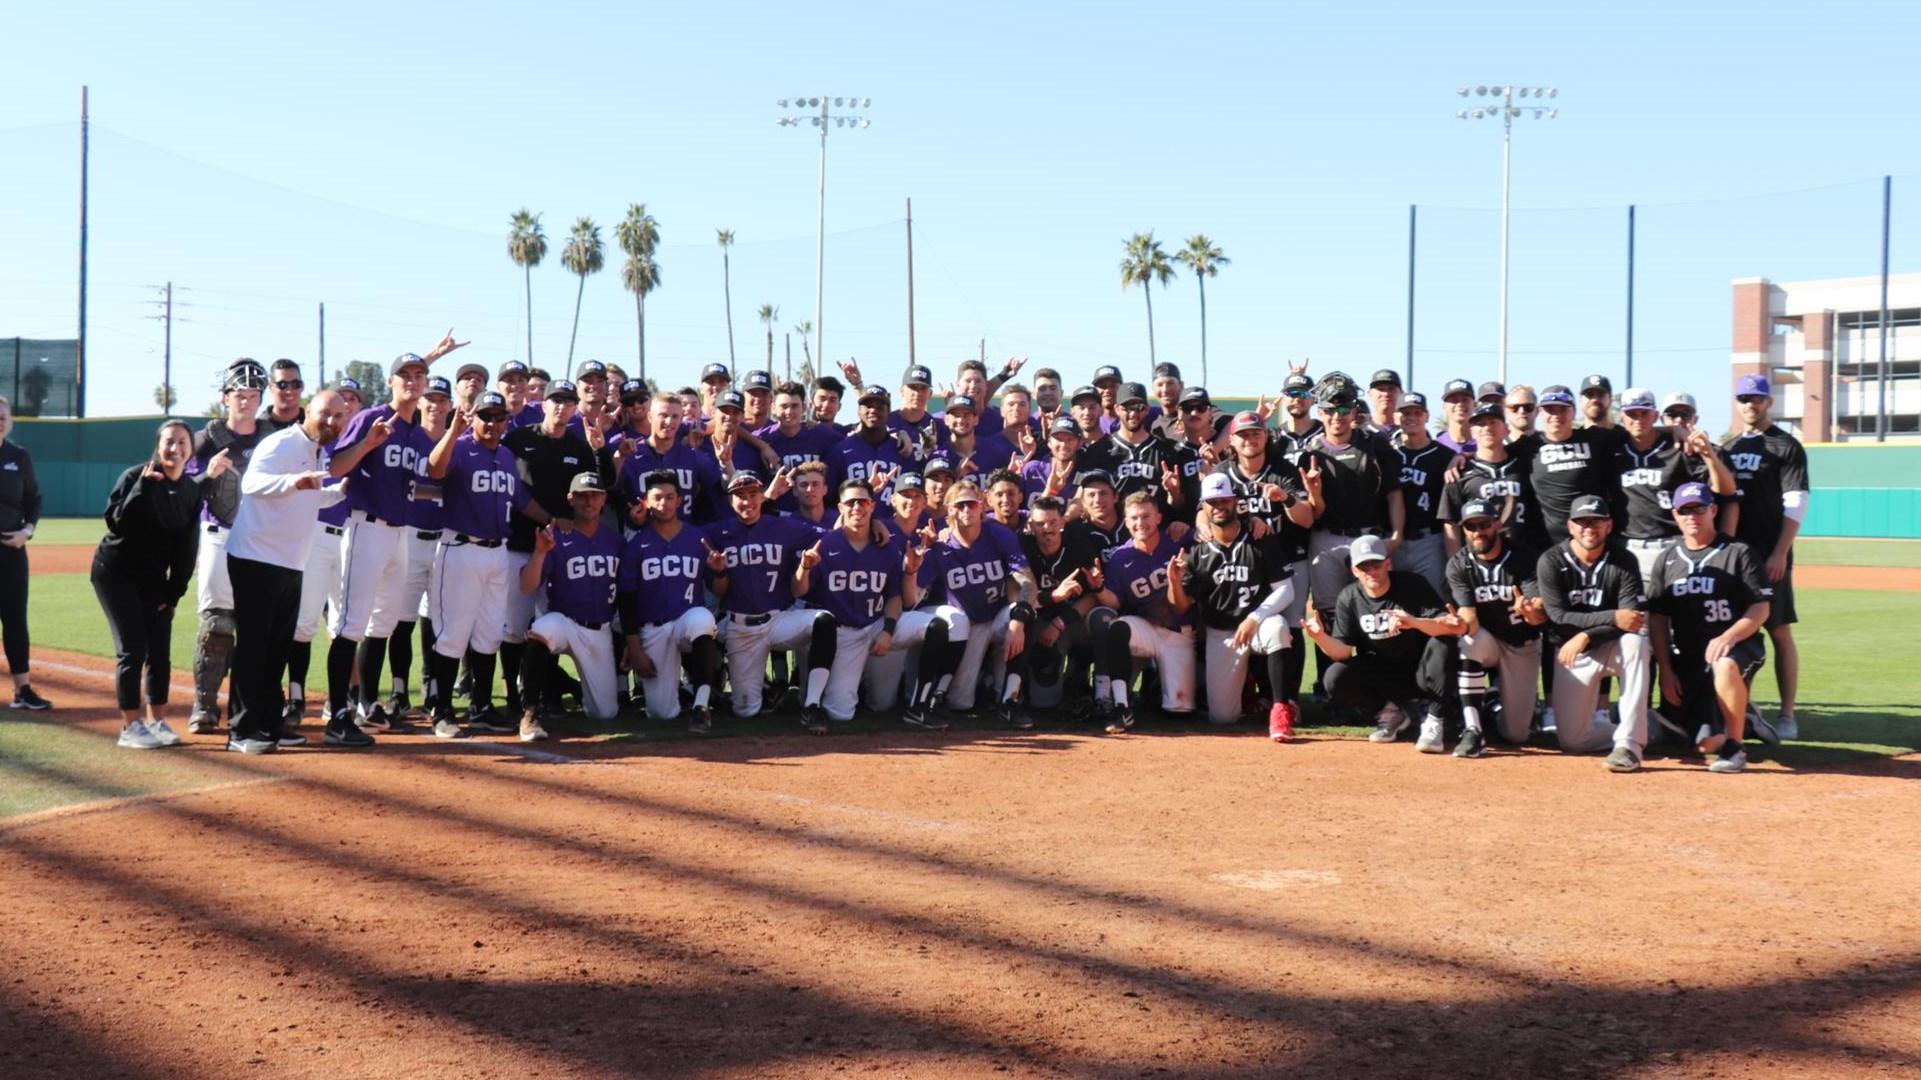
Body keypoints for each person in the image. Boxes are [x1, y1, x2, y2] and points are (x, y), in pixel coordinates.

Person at [223, 390, 352, 753]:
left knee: (277, 648)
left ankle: (267, 721)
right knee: (253, 646)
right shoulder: (281, 443)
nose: (332, 421)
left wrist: (338, 491)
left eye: (339, 417)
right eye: (326, 413)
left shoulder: (317, 451)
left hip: (290, 562)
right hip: (255, 558)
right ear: (308, 410)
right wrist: (293, 482)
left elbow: (309, 498)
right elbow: (251, 485)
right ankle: (241, 730)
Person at [323, 352, 438, 735]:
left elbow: (426, 482)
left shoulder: (418, 434)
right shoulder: (370, 418)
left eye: (419, 375)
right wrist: (369, 445)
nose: (412, 380)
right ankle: (338, 714)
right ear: (391, 382)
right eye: (404, 374)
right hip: (365, 528)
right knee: (350, 623)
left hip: (399, 535)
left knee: (383, 623)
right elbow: (336, 467)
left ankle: (366, 705)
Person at [94, 420, 226, 748]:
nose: (175, 448)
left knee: (159, 652)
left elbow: (186, 546)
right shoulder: (135, 476)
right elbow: (116, 521)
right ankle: (130, 727)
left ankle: (158, 721)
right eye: (169, 442)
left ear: (190, 449)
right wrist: (143, 487)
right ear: (158, 445)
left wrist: (174, 592)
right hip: (116, 572)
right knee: (132, 649)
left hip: (153, 577)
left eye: (182, 442)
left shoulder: (191, 490)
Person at [798, 478, 958, 729]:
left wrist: (888, 630)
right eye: (851, 502)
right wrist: (804, 569)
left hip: (876, 624)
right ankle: (833, 691)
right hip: (842, 633)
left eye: (863, 502)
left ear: (873, 506)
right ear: (840, 508)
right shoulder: (826, 544)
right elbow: (799, 591)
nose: (857, 507)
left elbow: (895, 597)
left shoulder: (886, 546)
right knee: (841, 713)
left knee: (938, 626)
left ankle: (919, 706)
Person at [424, 390, 539, 737]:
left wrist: (555, 520)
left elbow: (521, 501)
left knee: (490, 633)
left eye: (498, 417)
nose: (491, 423)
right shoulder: (459, 446)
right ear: (474, 418)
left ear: (507, 421)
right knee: (453, 634)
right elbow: (434, 468)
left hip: (497, 552)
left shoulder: (505, 455)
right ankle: (442, 711)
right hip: (461, 547)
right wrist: (453, 428)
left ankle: (482, 707)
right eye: (485, 416)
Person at [502, 379, 614, 719]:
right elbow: (511, 487)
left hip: (561, 549)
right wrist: (551, 518)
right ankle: (514, 696)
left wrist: (599, 449)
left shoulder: (578, 445)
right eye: (556, 400)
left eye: (568, 401)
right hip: (521, 543)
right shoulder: (520, 438)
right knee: (514, 628)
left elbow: (603, 483)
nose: (562, 407)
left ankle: (549, 695)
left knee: (549, 625)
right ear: (544, 405)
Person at [1649, 482, 1776, 774]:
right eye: (1685, 510)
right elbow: (1657, 619)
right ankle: (1744, 718)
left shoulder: (1738, 552)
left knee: (1723, 661)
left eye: (1699, 509)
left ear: (1713, 510)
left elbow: (1761, 607)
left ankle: (1735, 747)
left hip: (1739, 647)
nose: (1692, 515)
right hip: (1689, 658)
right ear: (1675, 515)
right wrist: (1667, 671)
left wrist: (1728, 636)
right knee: (1701, 746)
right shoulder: (1667, 559)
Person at [1299, 534, 1463, 752]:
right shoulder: (1349, 598)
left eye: (1376, 563)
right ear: (1354, 570)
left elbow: (1447, 627)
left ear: (1388, 562)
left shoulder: (1412, 584)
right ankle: (1391, 713)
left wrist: (1413, 622)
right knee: (1335, 677)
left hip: (1424, 672)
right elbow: (1343, 653)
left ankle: (1434, 719)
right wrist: (1320, 637)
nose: (1371, 571)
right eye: (1363, 566)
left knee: (1443, 642)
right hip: (1386, 675)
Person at [706, 471, 838, 731]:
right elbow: (718, 587)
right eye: (740, 497)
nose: (747, 502)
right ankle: (764, 687)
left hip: (779, 619)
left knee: (824, 621)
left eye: (753, 495)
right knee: (746, 711)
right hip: (741, 627)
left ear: (762, 497)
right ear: (731, 501)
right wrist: (719, 570)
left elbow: (831, 534)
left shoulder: (783, 526)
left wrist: (875, 525)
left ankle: (811, 705)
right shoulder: (718, 532)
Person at [1172, 473, 1298, 738]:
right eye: (1212, 501)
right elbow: (1182, 607)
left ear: (1236, 502)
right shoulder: (1197, 552)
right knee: (1222, 718)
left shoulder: (1260, 537)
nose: (1219, 506)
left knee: (1278, 628)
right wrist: (1173, 582)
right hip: (1221, 633)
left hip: (1256, 625)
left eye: (1225, 500)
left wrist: (1255, 617)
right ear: (1203, 507)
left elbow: (1286, 590)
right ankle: (1247, 686)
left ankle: (1280, 709)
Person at [1720, 373, 1810, 739]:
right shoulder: (1730, 447)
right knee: (1739, 632)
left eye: (1756, 398)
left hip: (1769, 553)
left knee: (1779, 630)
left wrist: (1780, 552)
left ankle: (1788, 714)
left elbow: (1797, 503)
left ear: (1768, 402)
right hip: (1736, 556)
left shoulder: (1785, 446)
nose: (1749, 405)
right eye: (1743, 398)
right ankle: (1747, 707)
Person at [185, 359, 272, 734]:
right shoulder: (205, 440)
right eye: (240, 395)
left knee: (258, 628)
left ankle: (250, 706)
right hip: (220, 535)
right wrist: (208, 474)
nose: (247, 402)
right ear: (225, 399)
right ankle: (204, 705)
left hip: (262, 540)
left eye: (254, 395)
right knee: (218, 623)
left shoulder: (275, 436)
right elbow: (182, 489)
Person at [1537, 494, 1651, 773]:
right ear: (1571, 526)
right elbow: (1559, 617)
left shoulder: (1623, 560)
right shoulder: (1551, 561)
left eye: (1597, 521)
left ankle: (1630, 745)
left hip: (1611, 647)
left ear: (1609, 526)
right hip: (1571, 655)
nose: (1590, 528)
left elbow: (1632, 621)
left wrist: (1586, 634)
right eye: (1582, 522)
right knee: (1574, 741)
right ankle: (1647, 728)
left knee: (1636, 644)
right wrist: (1611, 617)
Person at [911, 481, 1036, 728]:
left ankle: (1010, 701)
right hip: (966, 626)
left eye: (972, 503)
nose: (967, 510)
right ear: (950, 510)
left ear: (982, 507)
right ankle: (970, 686)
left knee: (1024, 612)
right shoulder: (940, 546)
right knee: (961, 703)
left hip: (996, 614)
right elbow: (913, 597)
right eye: (960, 505)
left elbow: (1027, 582)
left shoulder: (998, 533)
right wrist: (912, 566)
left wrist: (1018, 621)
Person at [518, 472, 625, 741]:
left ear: (604, 499)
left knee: (605, 713)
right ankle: (530, 713)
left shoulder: (616, 541)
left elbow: (627, 593)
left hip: (600, 629)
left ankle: (573, 688)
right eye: (582, 496)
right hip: (564, 622)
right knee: (542, 629)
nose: (588, 502)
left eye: (594, 495)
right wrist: (540, 552)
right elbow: (527, 586)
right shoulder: (556, 537)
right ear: (571, 499)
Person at [618, 471, 726, 732]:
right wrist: (635, 648)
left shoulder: (696, 538)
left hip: (687, 620)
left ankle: (701, 706)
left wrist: (720, 570)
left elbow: (720, 589)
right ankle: (688, 691)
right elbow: (627, 598)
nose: (664, 503)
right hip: (653, 628)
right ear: (647, 502)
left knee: (703, 620)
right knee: (661, 714)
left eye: (670, 497)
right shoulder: (637, 544)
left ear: (680, 501)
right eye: (658, 498)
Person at [1444, 498, 1547, 757]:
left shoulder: (1524, 557)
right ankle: (1473, 730)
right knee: (1468, 641)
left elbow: (1539, 618)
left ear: (1497, 525)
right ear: (1463, 530)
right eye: (1471, 526)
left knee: (1516, 735)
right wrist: (1457, 624)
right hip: (1487, 639)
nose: (1478, 531)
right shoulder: (1459, 564)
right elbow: (1470, 620)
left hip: (1522, 644)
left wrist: (1530, 611)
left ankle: (1493, 701)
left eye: (1484, 524)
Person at [1611, 387, 1736, 587]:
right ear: (1621, 417)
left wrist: (1708, 454)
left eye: (1644, 413)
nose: (1638, 419)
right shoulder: (1612, 449)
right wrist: (1672, 429)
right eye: (1631, 413)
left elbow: (1727, 492)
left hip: (1672, 544)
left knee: (1681, 615)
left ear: (1655, 415)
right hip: (1627, 547)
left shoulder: (1682, 449)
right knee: (1635, 616)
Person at [1091, 492, 1195, 732]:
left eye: (1146, 516)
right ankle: (1121, 706)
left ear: (1159, 518)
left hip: (1180, 631)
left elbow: (1206, 530)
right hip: (1146, 628)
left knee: (1179, 710)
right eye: (1134, 518)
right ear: (1126, 522)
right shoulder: (1120, 557)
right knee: (1118, 627)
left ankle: (1160, 689)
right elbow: (1115, 602)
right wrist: (1097, 587)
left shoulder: (1177, 542)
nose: (1140, 523)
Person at [1017, 494, 1105, 712]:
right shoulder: (1024, 547)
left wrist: (1059, 623)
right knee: (1043, 703)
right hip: (1040, 619)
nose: (1047, 528)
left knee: (1105, 619)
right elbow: (1017, 595)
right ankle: (1021, 684)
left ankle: (1097, 687)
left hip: (1074, 619)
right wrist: (1054, 596)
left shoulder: (1079, 545)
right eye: (1040, 524)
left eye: (1052, 522)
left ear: (1063, 522)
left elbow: (1093, 595)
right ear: (1031, 526)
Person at [1080, 381, 1192, 522]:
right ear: (1117, 409)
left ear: (1146, 410)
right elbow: (1084, 499)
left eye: (1138, 407)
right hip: (1114, 533)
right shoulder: (1098, 451)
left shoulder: (1166, 451)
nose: (1133, 413)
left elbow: (1179, 505)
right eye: (1127, 407)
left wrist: (1174, 492)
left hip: (1154, 531)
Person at [0, 396, 46, 711]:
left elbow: (34, 499)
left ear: (10, 421)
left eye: (2, 416)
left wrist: (27, 531)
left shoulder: (19, 456)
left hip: (11, 550)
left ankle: (23, 690)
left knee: (15, 619)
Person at [1391, 392, 1451, 593]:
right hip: (1394, 542)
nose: (1411, 417)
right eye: (1405, 413)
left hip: (1430, 541)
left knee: (1435, 602)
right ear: (1396, 417)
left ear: (1426, 416)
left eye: (1417, 412)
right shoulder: (1388, 454)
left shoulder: (1444, 456)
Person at [261, 359, 306, 431]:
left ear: (302, 386)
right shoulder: (258, 429)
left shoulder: (313, 424)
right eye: (282, 385)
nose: (289, 391)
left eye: (295, 384)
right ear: (271, 388)